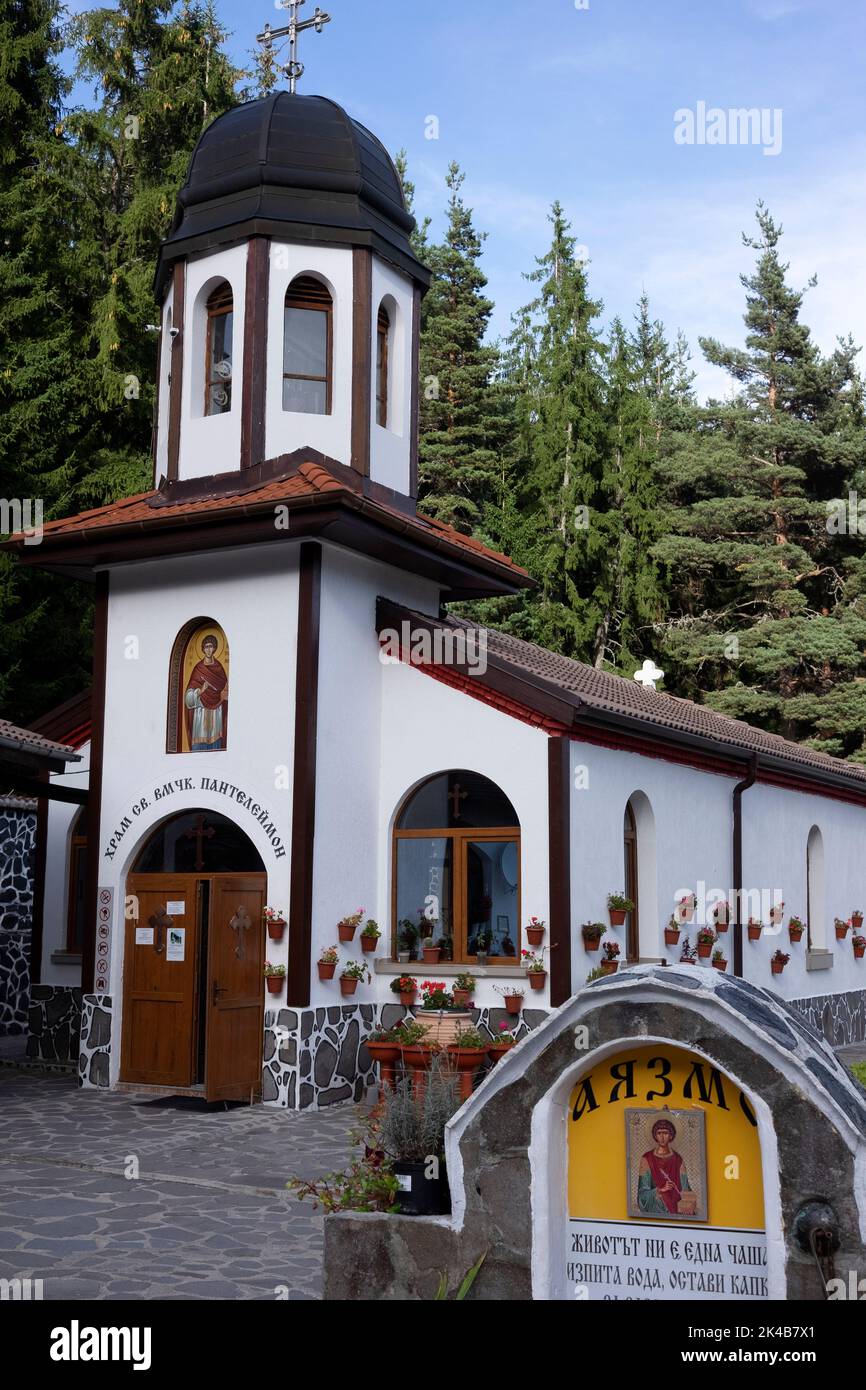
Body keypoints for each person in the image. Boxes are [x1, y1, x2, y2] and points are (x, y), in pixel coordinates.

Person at [638, 1117, 692, 1215]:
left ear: (671, 1136)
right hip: (656, 1207)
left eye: (665, 1133)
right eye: (659, 1133)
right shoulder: (647, 1159)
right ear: (655, 1136)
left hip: (675, 1206)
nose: (662, 1137)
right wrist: (660, 1190)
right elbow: (642, 1195)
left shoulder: (678, 1159)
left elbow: (685, 1189)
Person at [184, 634, 228, 751]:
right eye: (206, 647)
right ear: (203, 649)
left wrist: (224, 695)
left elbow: (226, 688)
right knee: (199, 746)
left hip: (216, 712)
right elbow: (187, 698)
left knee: (216, 745)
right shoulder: (198, 669)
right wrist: (199, 691)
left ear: (214, 649)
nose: (209, 649)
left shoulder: (219, 668)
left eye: (211, 646)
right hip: (201, 711)